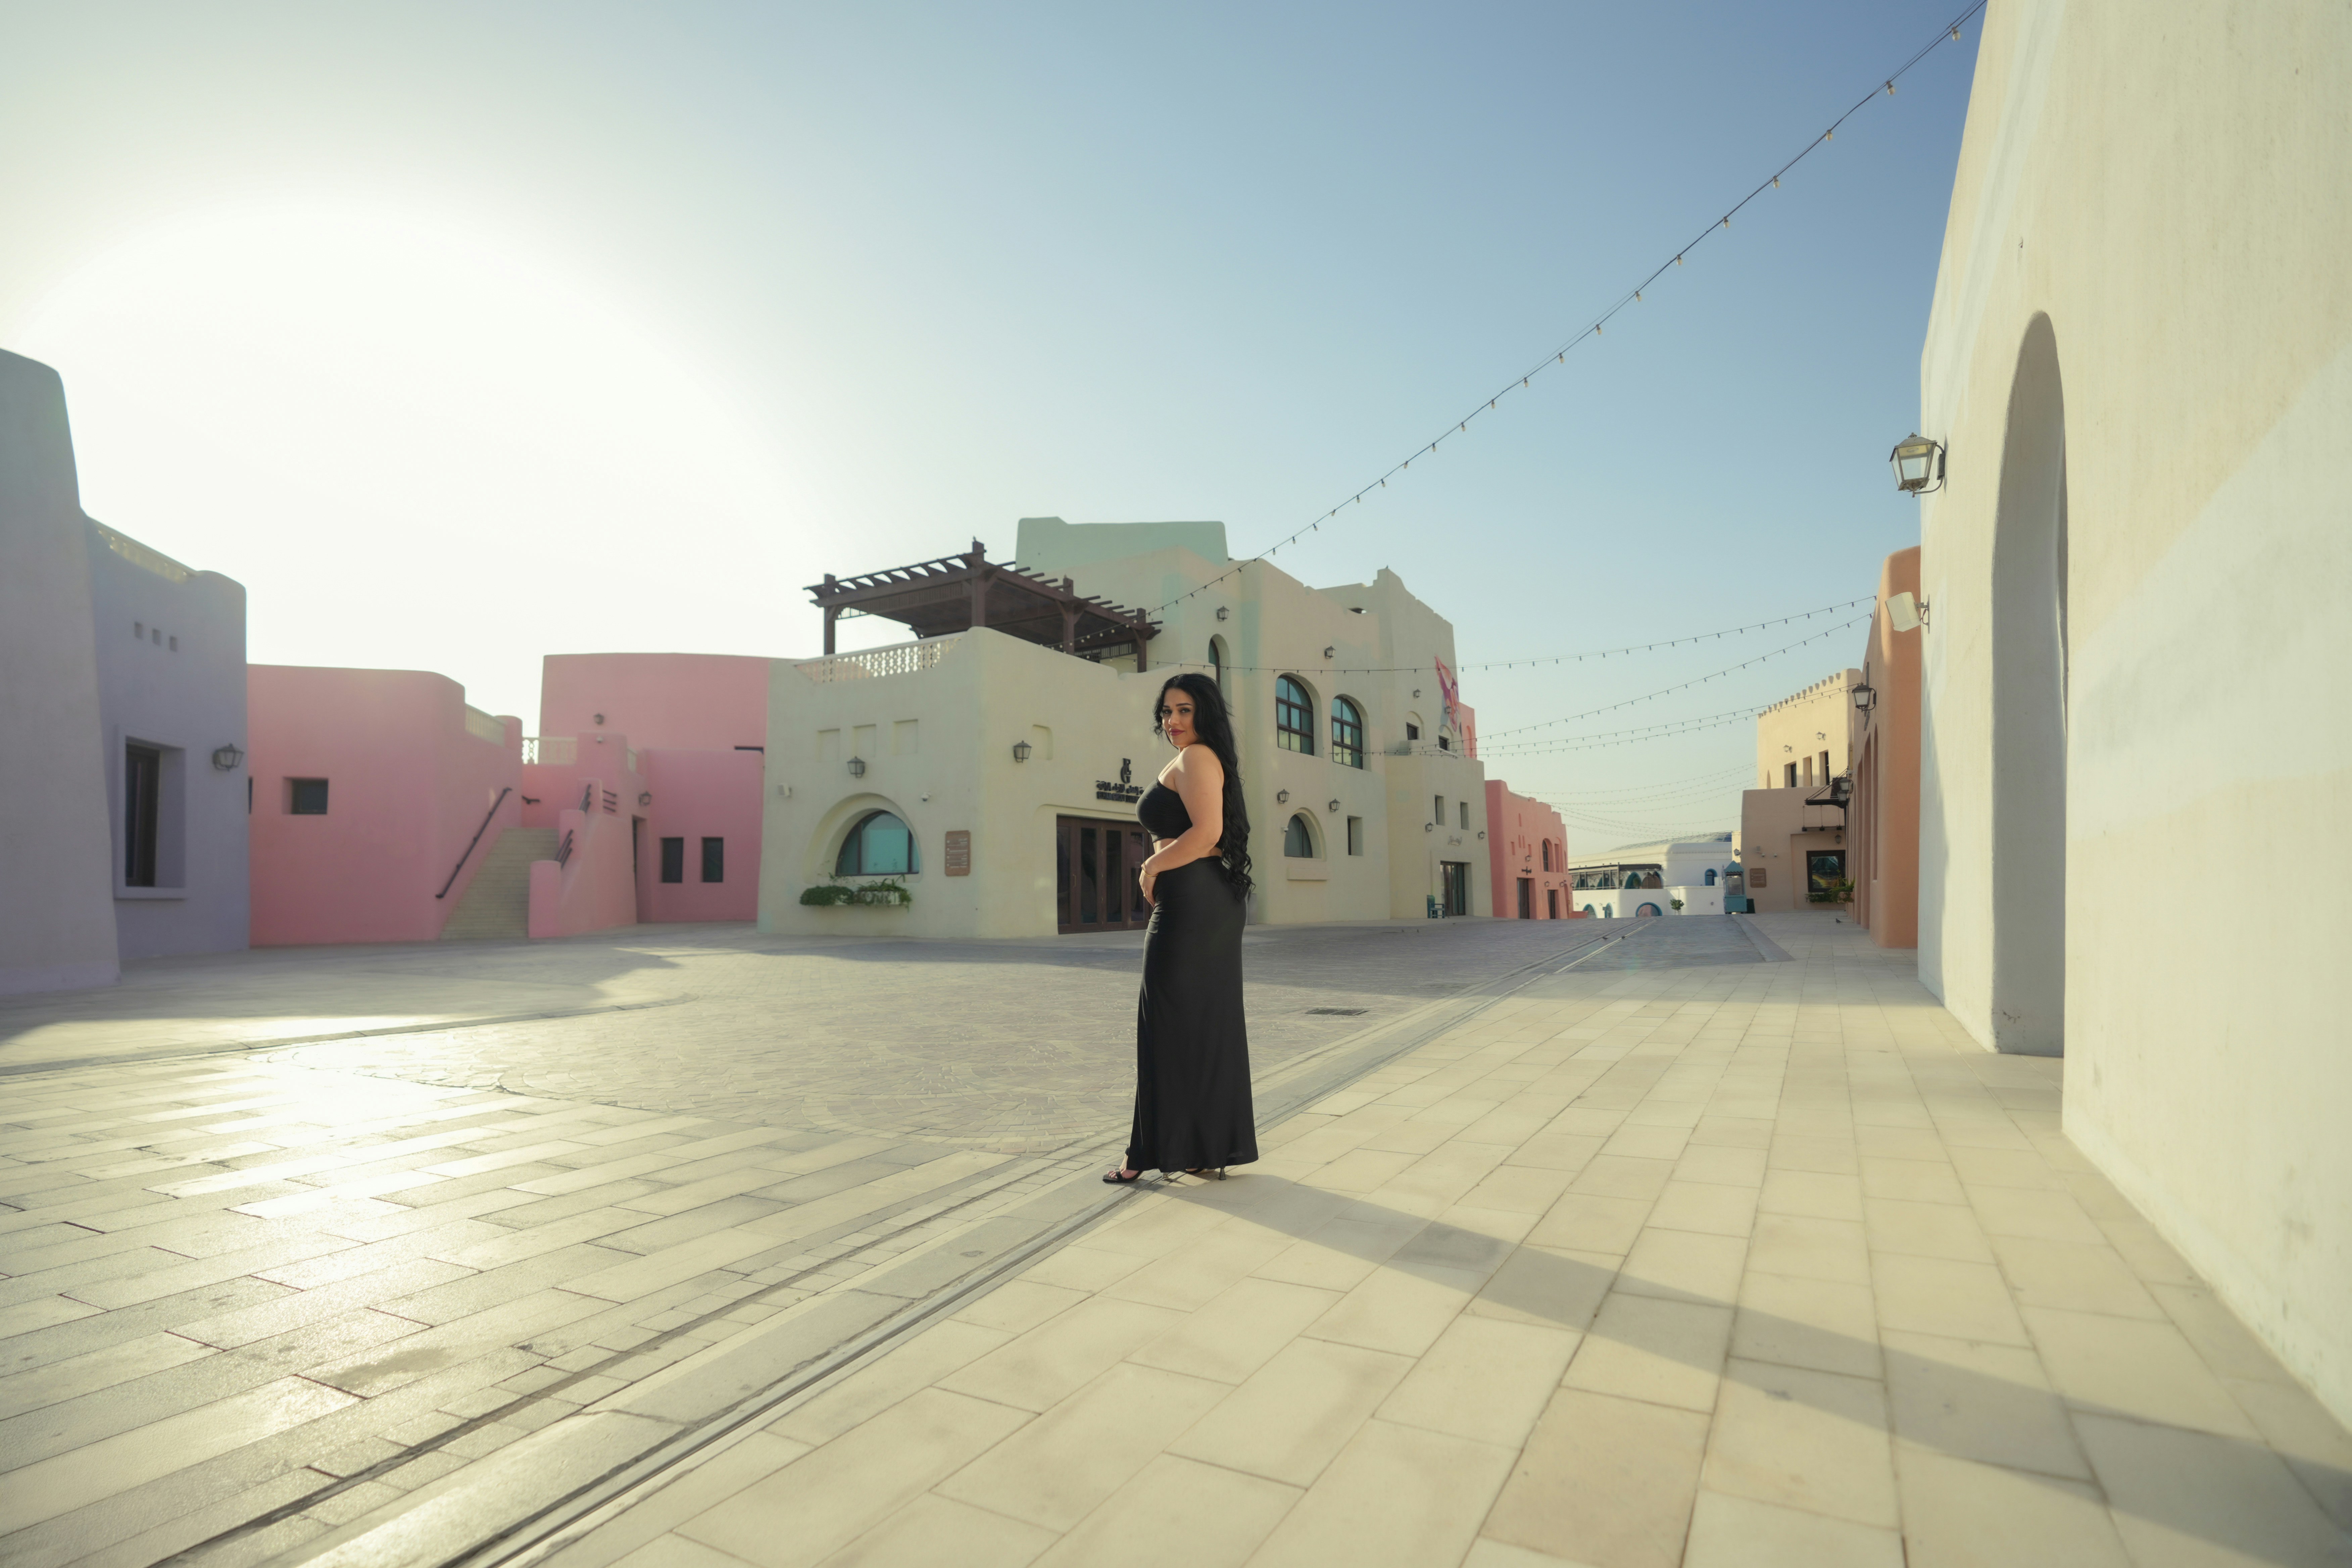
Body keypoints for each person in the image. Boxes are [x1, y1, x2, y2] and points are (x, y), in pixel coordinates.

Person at [1104, 672, 1258, 1183]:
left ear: (1205, 713)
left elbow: (1208, 833)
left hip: (1192, 906)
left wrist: (1150, 866)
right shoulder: (1199, 759)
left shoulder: (1196, 758)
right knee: (1201, 1027)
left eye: (1184, 710)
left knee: (1166, 1026)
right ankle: (1199, 1147)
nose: (1173, 721)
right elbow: (1212, 838)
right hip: (1205, 901)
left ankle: (1142, 1155)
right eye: (1167, 711)